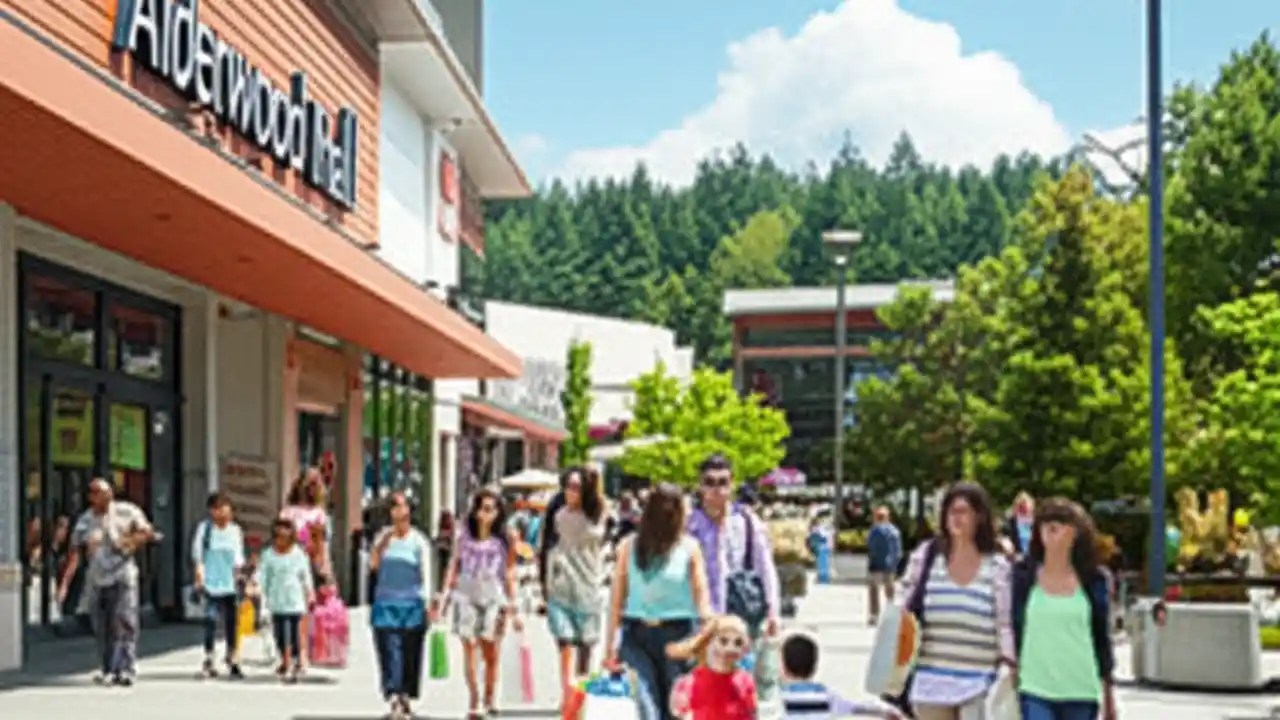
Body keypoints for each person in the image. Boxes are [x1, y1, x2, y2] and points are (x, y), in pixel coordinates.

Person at [898, 482, 1014, 720]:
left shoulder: (997, 566)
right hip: (930, 680)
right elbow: (905, 601)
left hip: (979, 681)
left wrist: (1009, 662)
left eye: (963, 512)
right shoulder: (927, 556)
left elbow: (1005, 621)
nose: (955, 518)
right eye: (950, 511)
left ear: (979, 517)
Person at [603, 482, 711, 720]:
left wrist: (708, 636)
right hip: (636, 635)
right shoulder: (629, 546)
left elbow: (702, 597)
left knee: (677, 710)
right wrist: (609, 646)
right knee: (646, 707)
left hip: (679, 635)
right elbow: (616, 599)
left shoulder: (689, 548)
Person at [1012, 498, 1117, 720]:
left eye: (1058, 525)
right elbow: (1012, 626)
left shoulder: (1094, 580)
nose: (1050, 530)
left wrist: (1109, 695)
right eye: (1045, 525)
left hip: (1081, 690)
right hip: (1034, 688)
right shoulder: (1023, 576)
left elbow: (1102, 638)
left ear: (1076, 533)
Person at [58, 478, 157, 686]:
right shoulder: (85, 521)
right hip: (97, 578)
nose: (106, 497)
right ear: (91, 497)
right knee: (102, 625)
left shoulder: (127, 511)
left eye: (108, 492)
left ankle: (127, 667)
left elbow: (147, 532)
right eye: (100, 493)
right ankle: (108, 667)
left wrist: (130, 542)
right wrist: (65, 583)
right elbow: (75, 553)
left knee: (125, 620)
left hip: (123, 574)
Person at [436, 486, 523, 719]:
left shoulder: (505, 539)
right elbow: (453, 566)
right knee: (470, 647)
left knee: (490, 651)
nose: (486, 514)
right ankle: (474, 698)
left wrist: (514, 608)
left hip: (494, 597)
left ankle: (489, 696)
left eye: (491, 509)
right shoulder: (463, 536)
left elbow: (509, 573)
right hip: (466, 595)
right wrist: (444, 597)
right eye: (482, 509)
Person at [686, 454, 781, 638]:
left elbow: (765, 568)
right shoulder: (689, 524)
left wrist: (773, 612)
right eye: (710, 482)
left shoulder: (746, 521)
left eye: (723, 482)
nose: (716, 489)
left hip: (739, 619)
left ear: (732, 485)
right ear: (700, 486)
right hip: (697, 620)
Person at [542, 466, 608, 699]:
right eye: (568, 486)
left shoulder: (599, 515)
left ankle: (581, 694)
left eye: (576, 487)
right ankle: (567, 692)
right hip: (562, 586)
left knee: (586, 646)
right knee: (565, 642)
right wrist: (545, 584)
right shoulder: (558, 515)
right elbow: (546, 548)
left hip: (589, 586)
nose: (570, 492)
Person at [370, 492, 432, 720]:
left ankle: (406, 695)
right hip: (386, 603)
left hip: (412, 604)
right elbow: (373, 566)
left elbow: (426, 573)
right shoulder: (382, 537)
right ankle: (394, 696)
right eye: (394, 507)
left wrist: (428, 603)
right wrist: (383, 544)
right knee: (389, 651)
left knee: (410, 653)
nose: (398, 512)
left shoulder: (418, 541)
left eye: (402, 508)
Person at [779, 631, 903, 719]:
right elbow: (856, 707)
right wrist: (886, 712)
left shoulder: (781, 697)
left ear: (784, 668)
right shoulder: (826, 695)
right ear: (815, 667)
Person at [192, 492, 247, 679]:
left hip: (230, 584)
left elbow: (238, 558)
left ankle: (233, 657)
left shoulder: (235, 531)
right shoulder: (205, 530)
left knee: (232, 623)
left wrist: (241, 579)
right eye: (217, 509)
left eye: (225, 508)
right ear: (211, 511)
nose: (222, 513)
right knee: (210, 620)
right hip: (211, 584)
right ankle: (209, 657)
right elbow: (199, 556)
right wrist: (199, 578)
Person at [260, 517, 315, 682]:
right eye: (278, 538)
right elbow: (263, 575)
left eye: (285, 539)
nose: (281, 542)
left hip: (295, 601)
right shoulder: (268, 555)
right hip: (276, 601)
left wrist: (309, 592)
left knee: (294, 634)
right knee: (280, 633)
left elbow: (305, 575)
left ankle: (294, 659)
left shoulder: (298, 555)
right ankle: (285, 660)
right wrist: (257, 587)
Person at [865, 506, 902, 625]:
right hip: (890, 565)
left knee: (874, 590)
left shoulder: (874, 530)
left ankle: (874, 615)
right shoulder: (894, 531)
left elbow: (870, 545)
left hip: (876, 564)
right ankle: (891, 613)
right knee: (890, 589)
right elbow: (898, 550)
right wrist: (895, 562)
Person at [1003, 492, 1036, 558]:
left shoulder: (1037, 523)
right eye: (1020, 507)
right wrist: (1008, 547)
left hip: (1034, 557)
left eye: (1025, 508)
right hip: (1016, 556)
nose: (1023, 510)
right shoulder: (1010, 522)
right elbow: (1004, 537)